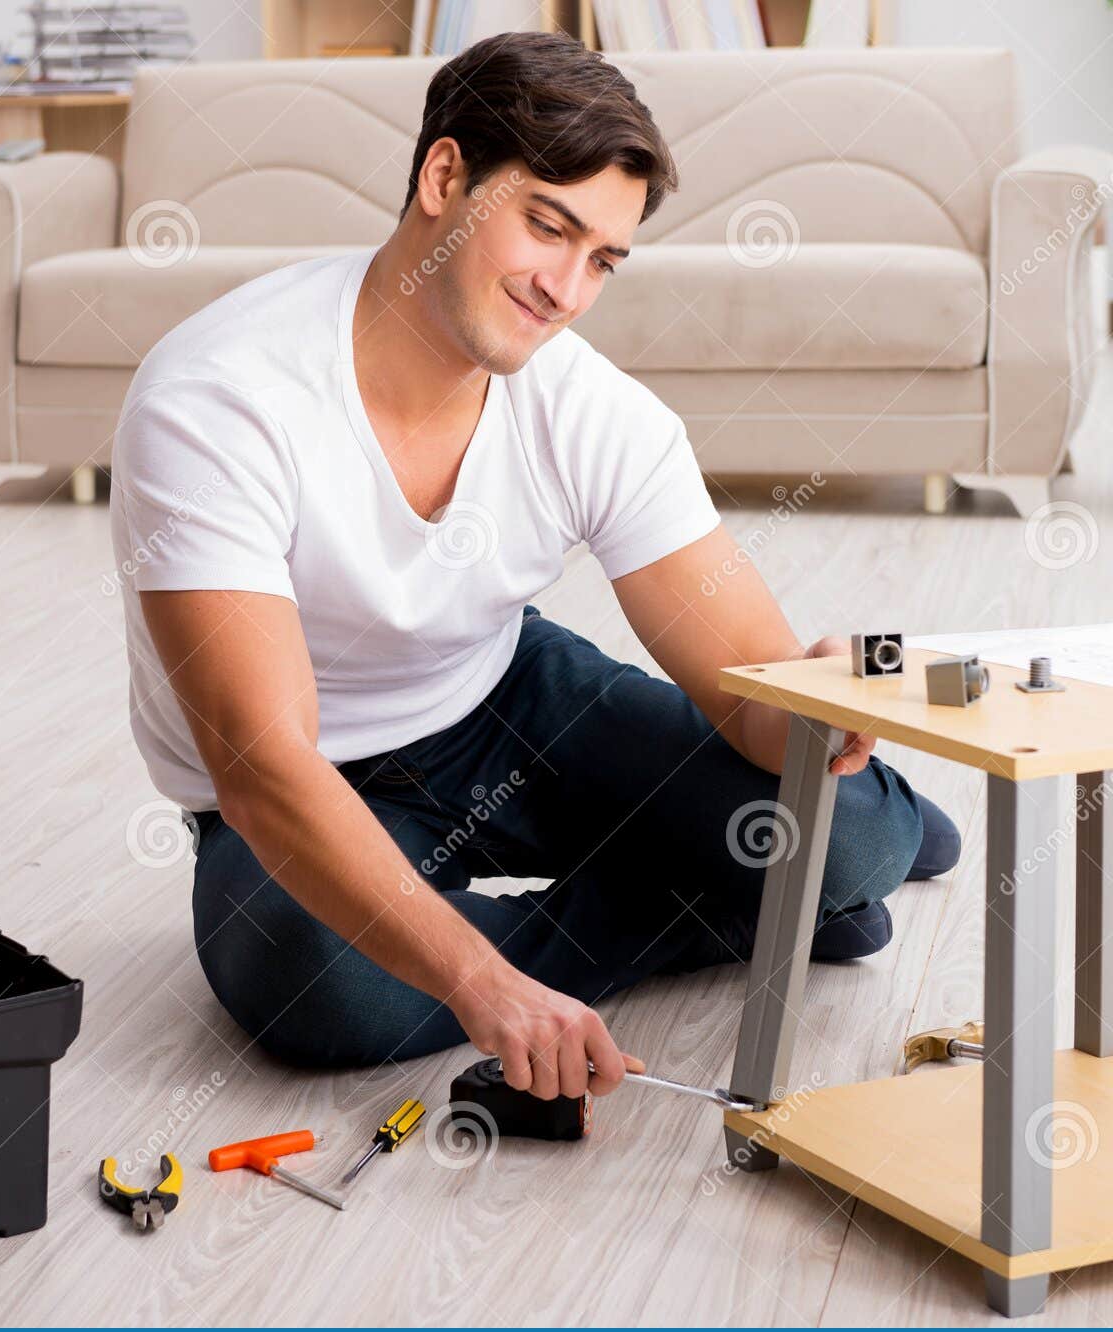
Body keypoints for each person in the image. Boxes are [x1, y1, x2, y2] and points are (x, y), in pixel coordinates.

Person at [108, 31, 958, 1103]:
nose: (565, 288)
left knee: (855, 838)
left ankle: (818, 871)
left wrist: (816, 702)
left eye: (601, 258)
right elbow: (265, 765)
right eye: (547, 227)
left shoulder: (589, 409)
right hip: (298, 785)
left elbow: (753, 698)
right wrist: (479, 982)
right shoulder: (218, 397)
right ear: (444, 176)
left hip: (502, 698)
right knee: (311, 984)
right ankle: (745, 910)